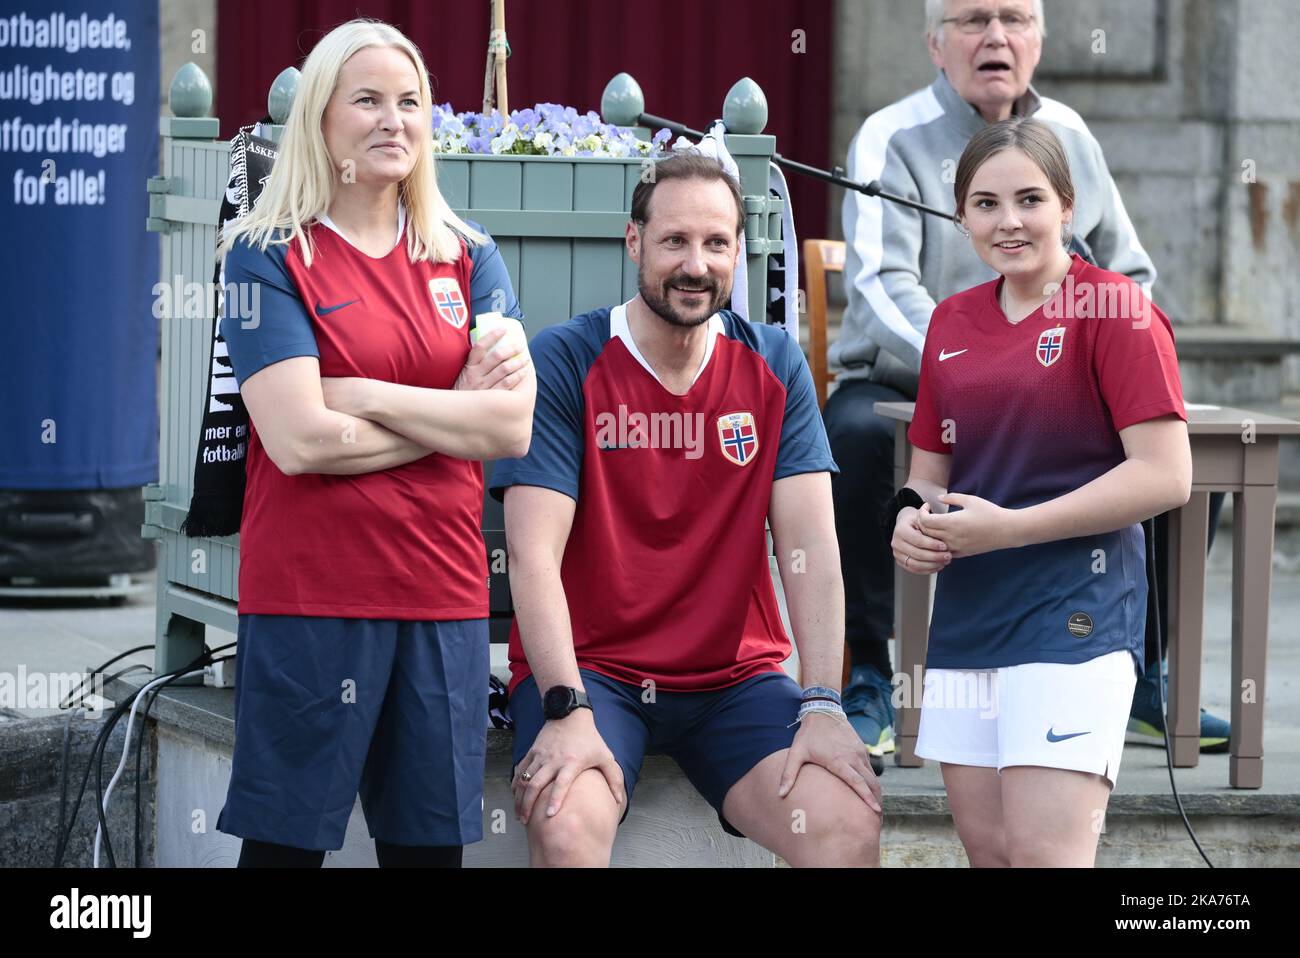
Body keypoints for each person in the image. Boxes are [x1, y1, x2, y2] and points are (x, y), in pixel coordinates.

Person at [827, 0, 1227, 756]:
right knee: (850, 441)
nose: (996, 37)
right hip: (898, 376)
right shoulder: (891, 133)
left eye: (1015, 19)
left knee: (1173, 452)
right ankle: (872, 674)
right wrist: (987, 368)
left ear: (1039, 40)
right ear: (935, 44)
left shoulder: (1069, 135)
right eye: (973, 20)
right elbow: (879, 287)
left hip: (1057, 378)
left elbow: (1128, 269)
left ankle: (1140, 668)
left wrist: (1097, 366)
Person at [490, 151, 882, 868]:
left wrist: (823, 701)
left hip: (732, 682)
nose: (695, 264)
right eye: (674, 241)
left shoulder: (773, 363)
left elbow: (812, 548)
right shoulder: (569, 360)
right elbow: (533, 555)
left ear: (738, 248)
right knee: (565, 822)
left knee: (845, 825)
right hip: (594, 671)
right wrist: (564, 706)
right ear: (634, 241)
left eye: (716, 243)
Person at [213, 19, 535, 868]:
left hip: (442, 600)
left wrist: (367, 396)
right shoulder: (264, 256)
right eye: (368, 101)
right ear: (321, 119)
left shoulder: (470, 257)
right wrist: (445, 415)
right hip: (311, 599)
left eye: (412, 102)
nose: (395, 120)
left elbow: (508, 426)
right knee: (283, 854)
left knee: (425, 858)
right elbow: (299, 442)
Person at [888, 117, 1190, 866]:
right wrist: (909, 520)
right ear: (961, 216)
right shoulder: (950, 321)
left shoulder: (1116, 310)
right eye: (985, 203)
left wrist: (1012, 529)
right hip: (965, 624)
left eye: (1029, 199)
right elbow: (929, 474)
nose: (1009, 221)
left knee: (1045, 857)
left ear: (1067, 204)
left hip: (1074, 621)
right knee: (989, 854)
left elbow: (1167, 474)